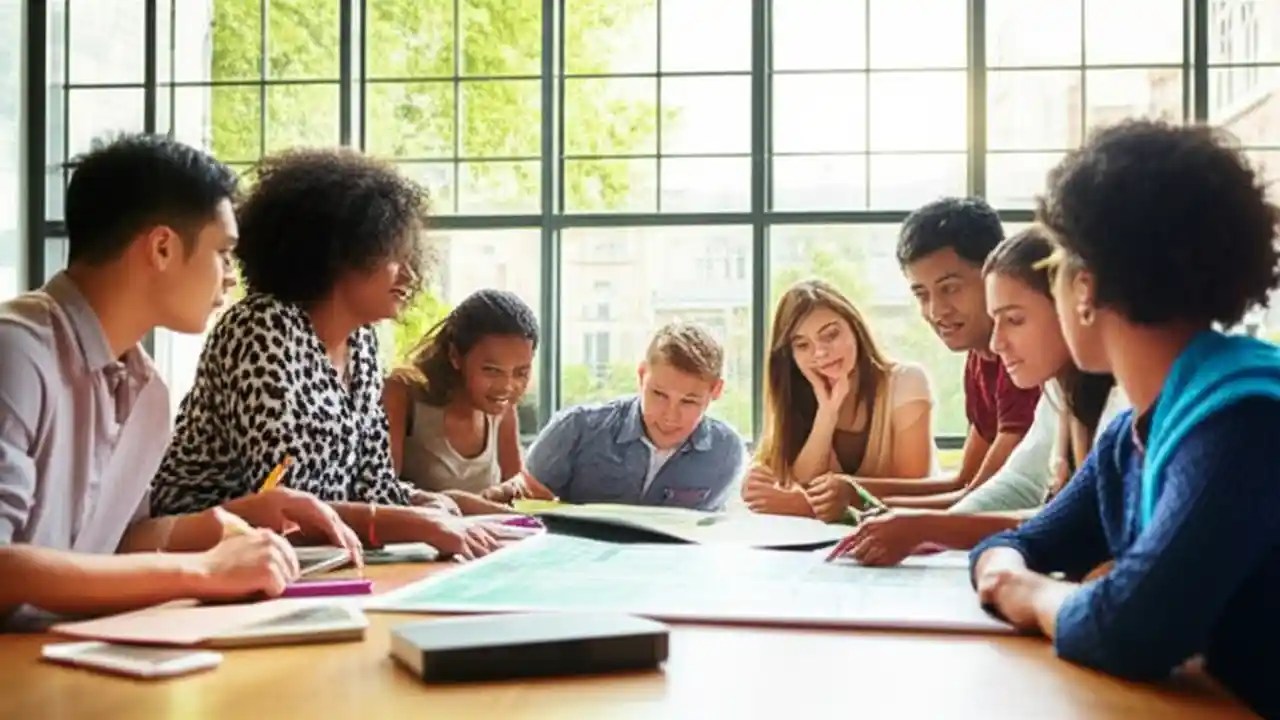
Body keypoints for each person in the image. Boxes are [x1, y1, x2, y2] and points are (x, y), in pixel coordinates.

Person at [971, 120, 1280, 718]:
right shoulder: (1130, 434)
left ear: (1084, 288)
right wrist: (1004, 569)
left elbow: (1132, 628)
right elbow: (1019, 541)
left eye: (1057, 266)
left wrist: (1024, 592)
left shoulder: (1245, 423)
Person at [0, 135, 354, 628]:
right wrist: (200, 571)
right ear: (162, 247)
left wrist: (231, 517)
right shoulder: (16, 352)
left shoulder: (148, 389)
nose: (231, 277)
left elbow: (113, 543)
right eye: (223, 253)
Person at [150, 147, 499, 560]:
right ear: (339, 253)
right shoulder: (263, 329)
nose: (408, 276)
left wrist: (425, 503)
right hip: (203, 556)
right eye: (392, 256)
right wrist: (414, 523)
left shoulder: (364, 346)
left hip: (309, 559)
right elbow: (288, 506)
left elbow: (372, 484)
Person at [832, 227, 1125, 565]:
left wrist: (931, 529)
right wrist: (922, 533)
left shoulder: (1121, 404)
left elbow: (1076, 524)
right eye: (996, 319)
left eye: (1014, 319)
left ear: (1074, 305)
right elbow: (1018, 484)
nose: (998, 344)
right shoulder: (1056, 390)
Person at [843, 198, 1042, 510]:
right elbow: (962, 480)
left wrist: (863, 501)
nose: (936, 312)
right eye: (922, 294)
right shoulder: (978, 360)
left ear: (995, 272)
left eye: (950, 288)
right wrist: (851, 488)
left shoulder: (1020, 363)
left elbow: (978, 498)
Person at [742, 279, 936, 522]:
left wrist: (812, 505)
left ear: (855, 327)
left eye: (831, 335)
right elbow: (797, 485)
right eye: (803, 345)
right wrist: (827, 411)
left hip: (904, 542)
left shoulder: (906, 382)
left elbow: (914, 491)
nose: (820, 353)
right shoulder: (798, 400)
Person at [524, 321, 746, 510]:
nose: (670, 416)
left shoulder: (726, 452)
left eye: (688, 401)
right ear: (641, 376)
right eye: (659, 394)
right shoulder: (575, 429)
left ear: (715, 390)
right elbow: (521, 507)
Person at [384, 289, 552, 512]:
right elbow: (381, 492)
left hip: (490, 541)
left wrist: (509, 489)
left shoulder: (502, 406)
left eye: (521, 373)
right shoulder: (402, 393)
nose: (507, 386)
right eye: (491, 370)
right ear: (455, 356)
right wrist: (460, 503)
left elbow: (518, 481)